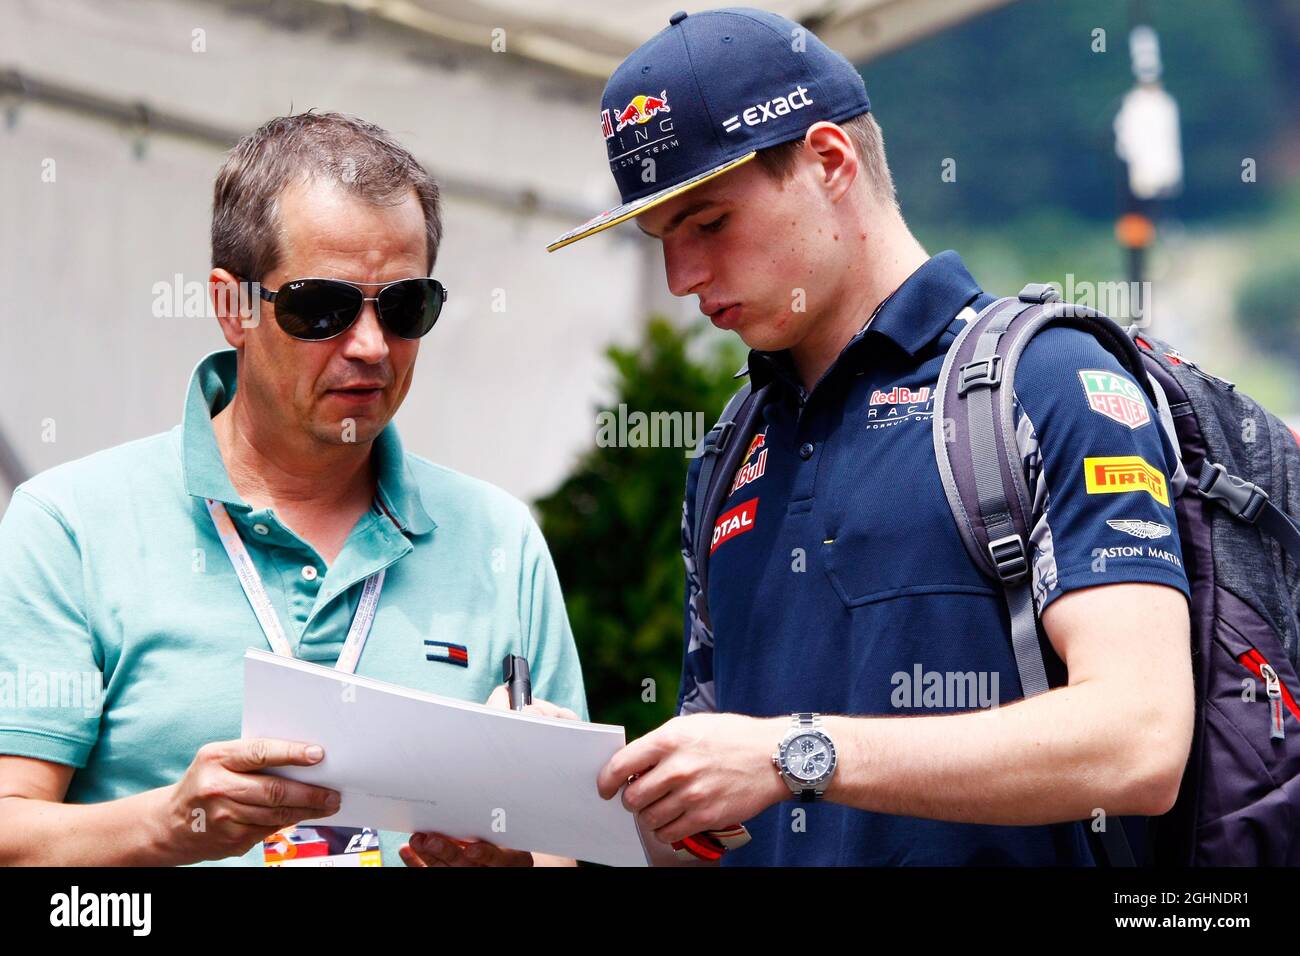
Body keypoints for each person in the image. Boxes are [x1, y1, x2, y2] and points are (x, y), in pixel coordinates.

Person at [549, 8, 1193, 865]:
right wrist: (547, 818)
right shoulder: (727, 451)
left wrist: (796, 756)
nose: (680, 278)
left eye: (708, 223)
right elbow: (722, 831)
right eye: (660, 238)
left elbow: (1140, 743)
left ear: (829, 161)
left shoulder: (1046, 379)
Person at [0, 112, 585, 867]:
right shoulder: (69, 527)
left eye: (405, 306)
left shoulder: (499, 537)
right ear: (232, 308)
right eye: (322, 308)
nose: (371, 345)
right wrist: (170, 824)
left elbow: (562, 847)